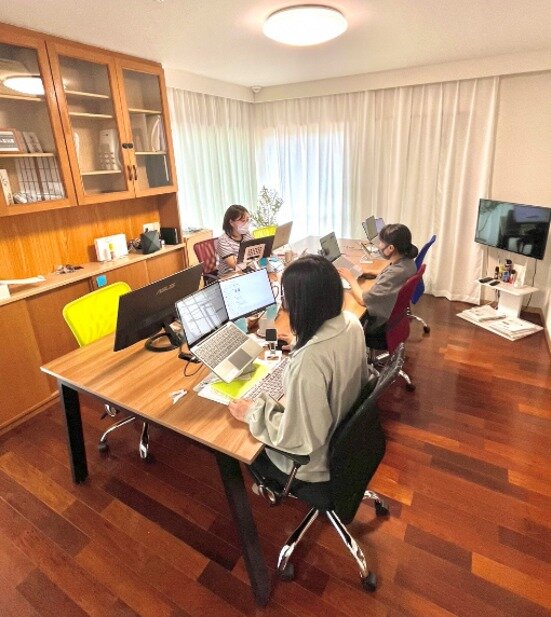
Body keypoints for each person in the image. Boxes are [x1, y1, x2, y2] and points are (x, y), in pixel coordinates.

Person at [228, 254, 369, 483]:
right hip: (345, 439)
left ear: (298, 305)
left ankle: (270, 486)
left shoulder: (309, 361)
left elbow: (300, 436)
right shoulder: (351, 323)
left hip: (314, 460)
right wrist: (299, 342)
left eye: (286, 300)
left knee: (239, 443)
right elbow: (329, 352)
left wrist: (251, 413)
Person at [339, 223, 418, 333]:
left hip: (379, 325)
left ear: (391, 248)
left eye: (381, 242)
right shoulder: (407, 262)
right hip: (394, 315)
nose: (379, 246)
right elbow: (390, 273)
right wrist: (369, 271)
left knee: (349, 312)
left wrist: (350, 278)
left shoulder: (394, 274)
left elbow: (363, 300)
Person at [216, 205, 254, 275]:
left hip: (246, 270)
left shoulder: (247, 234)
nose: (246, 223)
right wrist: (251, 260)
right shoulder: (223, 240)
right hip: (229, 274)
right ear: (231, 222)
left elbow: (255, 252)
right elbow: (234, 265)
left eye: (248, 220)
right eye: (243, 221)